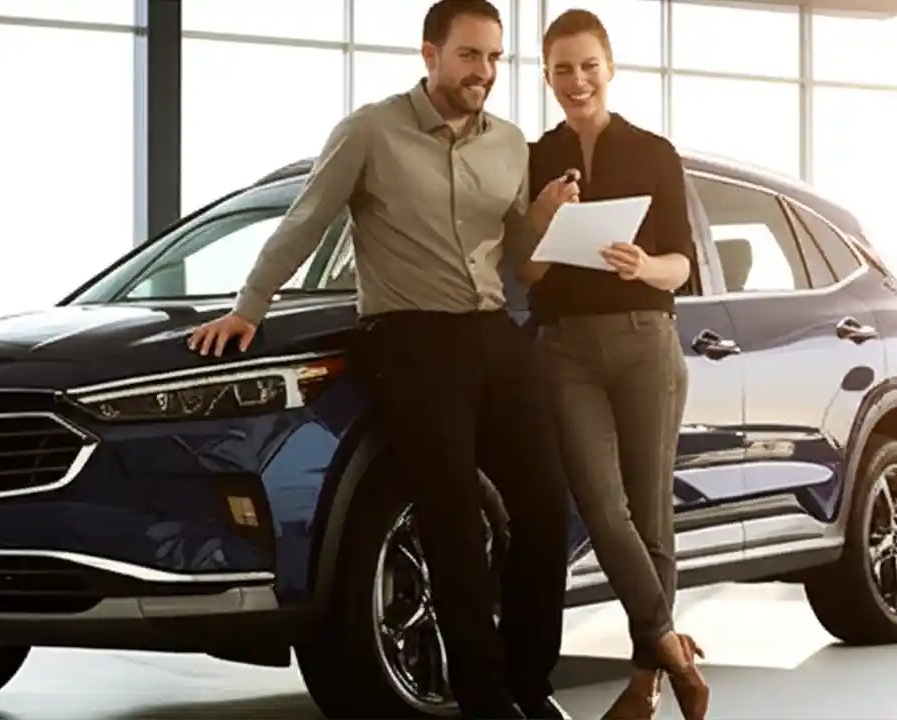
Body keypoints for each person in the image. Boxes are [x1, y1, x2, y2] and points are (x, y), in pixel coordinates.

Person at [186, 2, 572, 718]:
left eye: (493, 57)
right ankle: (486, 700)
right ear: (430, 54)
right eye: (468, 56)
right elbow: (304, 221)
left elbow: (520, 259)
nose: (482, 72)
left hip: (494, 332)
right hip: (412, 338)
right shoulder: (371, 131)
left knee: (547, 511)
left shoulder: (510, 143)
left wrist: (544, 218)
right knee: (450, 519)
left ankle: (528, 683)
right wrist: (249, 308)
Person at [517, 9, 709, 720]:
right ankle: (669, 644)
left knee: (652, 520)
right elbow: (528, 274)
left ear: (610, 67)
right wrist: (540, 213)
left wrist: (643, 263)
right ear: (545, 76)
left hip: (644, 341)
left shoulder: (654, 151)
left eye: (587, 65)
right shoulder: (536, 157)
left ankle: (643, 683)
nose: (576, 80)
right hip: (564, 346)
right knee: (602, 510)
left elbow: (683, 264)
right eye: (562, 69)